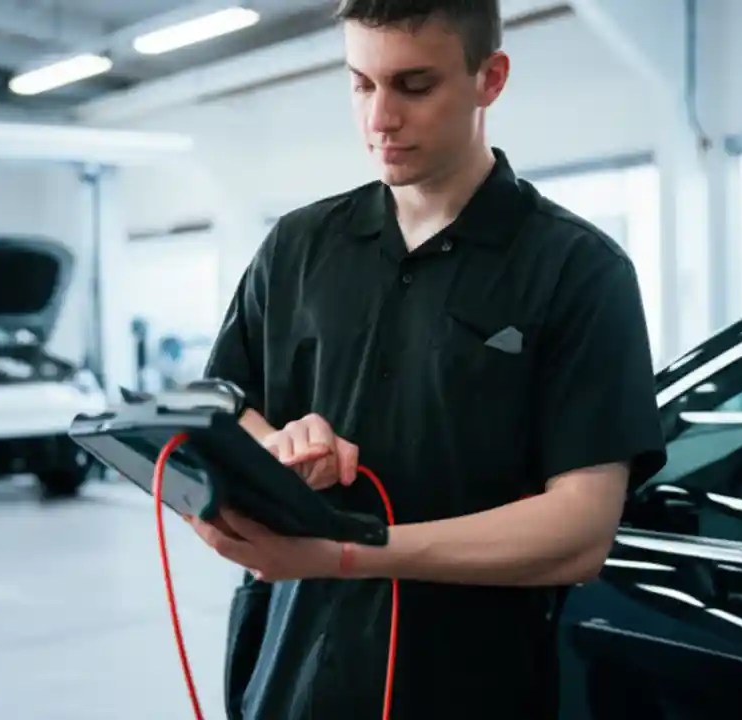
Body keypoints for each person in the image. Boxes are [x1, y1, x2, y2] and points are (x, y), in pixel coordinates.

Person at [192, 1, 667, 717]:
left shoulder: (577, 270)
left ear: (490, 78)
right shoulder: (296, 247)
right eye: (361, 84)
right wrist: (278, 445)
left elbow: (579, 531)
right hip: (290, 676)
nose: (379, 119)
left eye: (414, 86)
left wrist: (350, 553)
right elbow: (225, 401)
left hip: (468, 685)